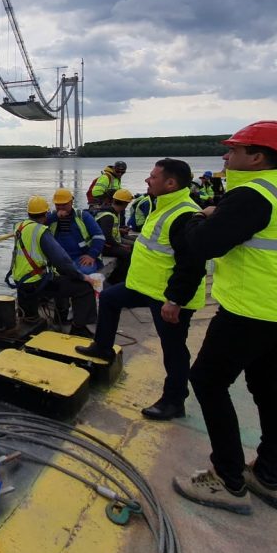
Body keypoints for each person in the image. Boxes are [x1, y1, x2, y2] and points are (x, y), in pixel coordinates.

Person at [172, 121, 277, 516]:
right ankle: (270, 476)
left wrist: (202, 217)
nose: (226, 156)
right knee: (269, 388)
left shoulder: (251, 195)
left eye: (234, 150)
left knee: (207, 381)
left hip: (251, 310)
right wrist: (223, 215)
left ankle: (228, 479)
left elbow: (200, 243)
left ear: (257, 156)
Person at [76, 160, 207, 420]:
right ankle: (103, 347)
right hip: (146, 286)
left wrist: (175, 300)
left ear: (170, 183)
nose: (147, 180)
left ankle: (174, 401)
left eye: (153, 176)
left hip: (167, 296)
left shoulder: (183, 215)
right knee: (111, 299)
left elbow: (192, 264)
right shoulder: (164, 205)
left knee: (174, 349)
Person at [7, 195, 96, 329]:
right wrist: (82, 276)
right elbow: (62, 261)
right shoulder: (41, 231)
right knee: (83, 288)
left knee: (59, 279)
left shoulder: (20, 227)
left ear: (28, 213)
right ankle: (79, 329)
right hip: (36, 284)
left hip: (21, 282)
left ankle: (52, 318)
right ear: (46, 213)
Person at [44, 188, 106, 275]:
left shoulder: (83, 216)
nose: (61, 207)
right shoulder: (51, 217)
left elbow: (99, 236)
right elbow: (37, 224)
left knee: (84, 272)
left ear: (71, 202)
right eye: (58, 204)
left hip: (80, 258)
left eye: (64, 204)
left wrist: (91, 255)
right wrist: (55, 216)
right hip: (58, 259)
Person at [94, 188, 134, 284]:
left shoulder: (112, 213)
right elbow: (106, 237)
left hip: (108, 244)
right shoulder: (108, 216)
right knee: (126, 254)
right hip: (102, 247)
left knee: (133, 246)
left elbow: (109, 230)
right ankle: (118, 280)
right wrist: (121, 246)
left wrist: (120, 230)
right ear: (125, 204)